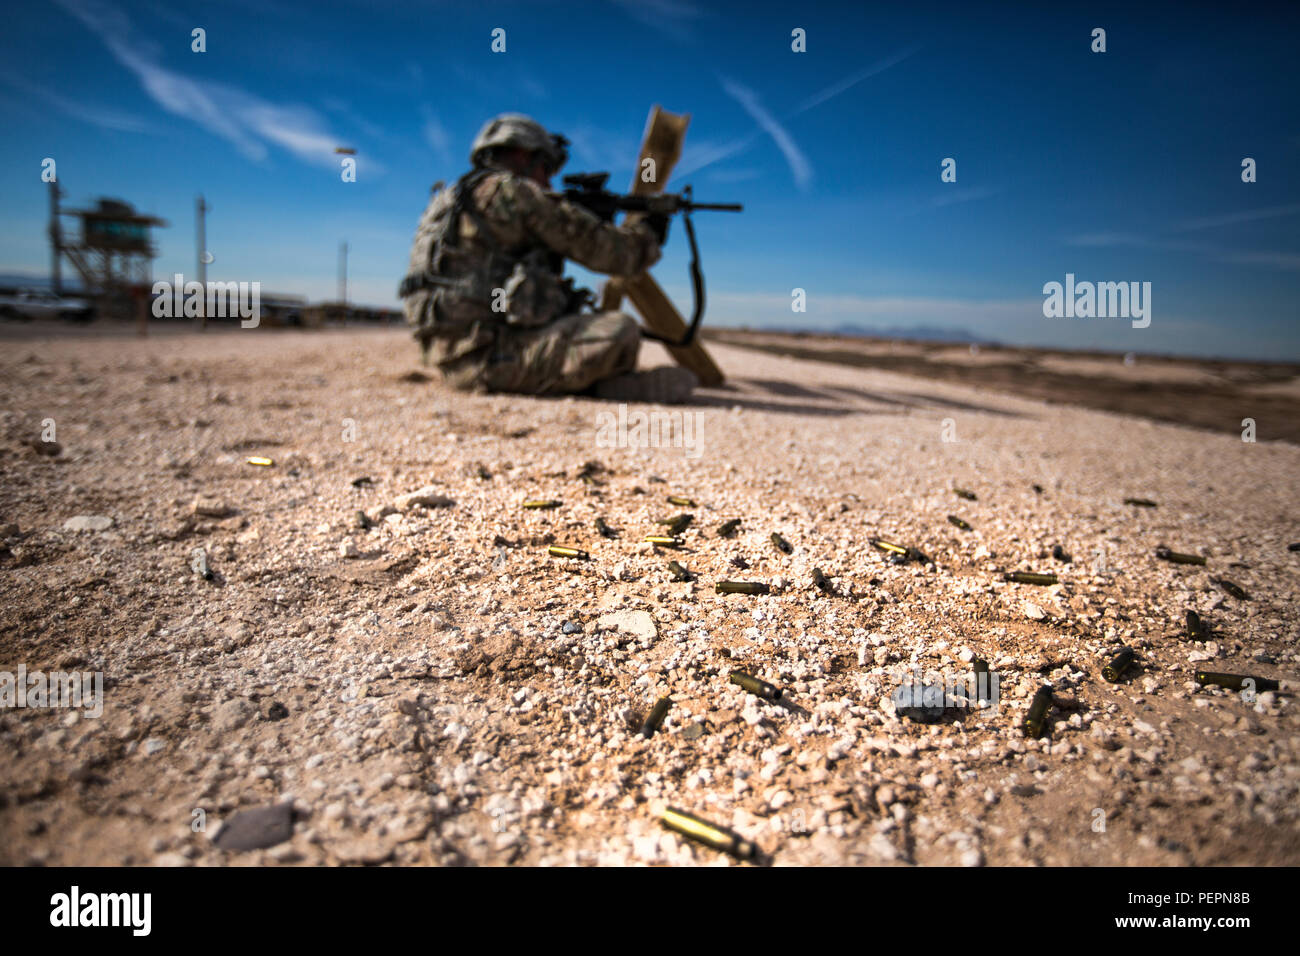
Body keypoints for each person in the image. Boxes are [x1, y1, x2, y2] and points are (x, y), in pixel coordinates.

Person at [398, 113, 697, 403]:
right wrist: (648, 232)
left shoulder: (446, 201)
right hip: (492, 361)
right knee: (621, 331)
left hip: (445, 358)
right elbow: (616, 257)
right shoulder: (514, 194)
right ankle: (600, 388)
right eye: (544, 168)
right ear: (521, 154)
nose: (549, 184)